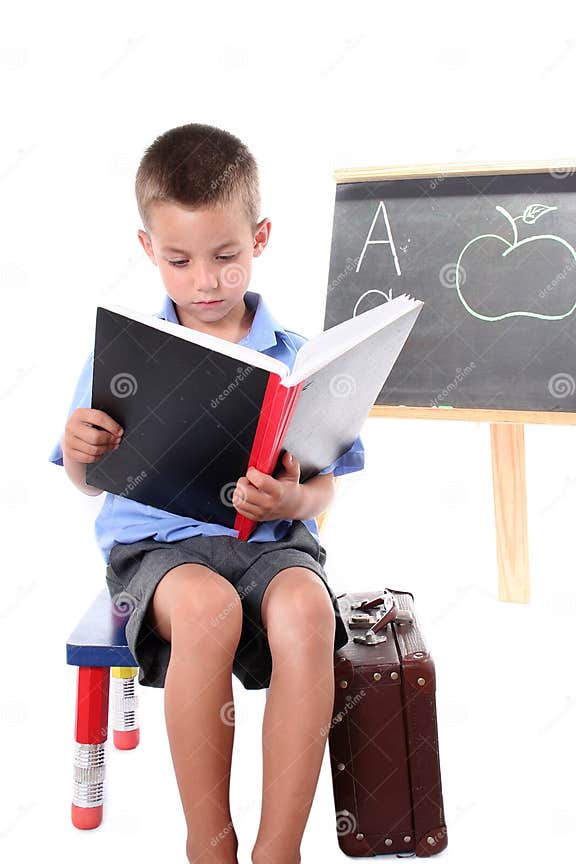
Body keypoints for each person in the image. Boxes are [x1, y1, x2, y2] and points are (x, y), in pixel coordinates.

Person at [48, 123, 365, 864]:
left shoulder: (295, 357)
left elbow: (326, 486)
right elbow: (84, 478)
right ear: (147, 249)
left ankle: (277, 849)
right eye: (179, 261)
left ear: (260, 238)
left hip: (270, 545)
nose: (205, 281)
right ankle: (209, 843)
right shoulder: (124, 353)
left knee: (307, 611)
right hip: (159, 553)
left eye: (226, 257)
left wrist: (295, 504)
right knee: (207, 608)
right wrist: (76, 450)